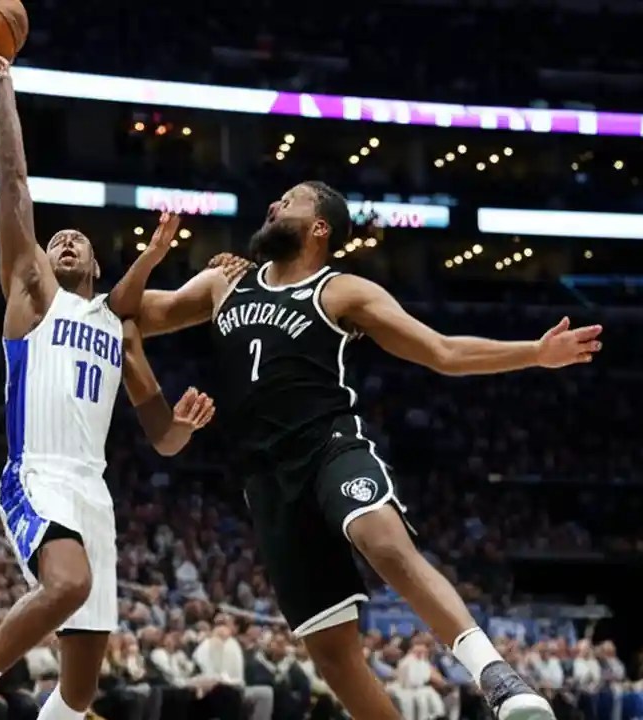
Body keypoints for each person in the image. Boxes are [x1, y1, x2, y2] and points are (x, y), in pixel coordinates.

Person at [131, 180, 604, 720]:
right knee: (332, 654)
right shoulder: (224, 281)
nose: (273, 204)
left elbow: (441, 351)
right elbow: (141, 312)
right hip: (264, 479)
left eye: (288, 201)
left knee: (381, 538)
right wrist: (73, 287)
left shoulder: (342, 291)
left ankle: (498, 678)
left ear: (319, 228)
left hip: (328, 445)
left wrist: (535, 354)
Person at [0, 32, 217, 720]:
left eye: (77, 240)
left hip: (94, 493)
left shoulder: (121, 330)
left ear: (100, 268)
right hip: (38, 473)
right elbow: (14, 180)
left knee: (78, 692)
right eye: (56, 241)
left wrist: (185, 427)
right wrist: (2, 80)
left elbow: (161, 439)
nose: (64, 241)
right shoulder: (31, 294)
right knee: (67, 584)